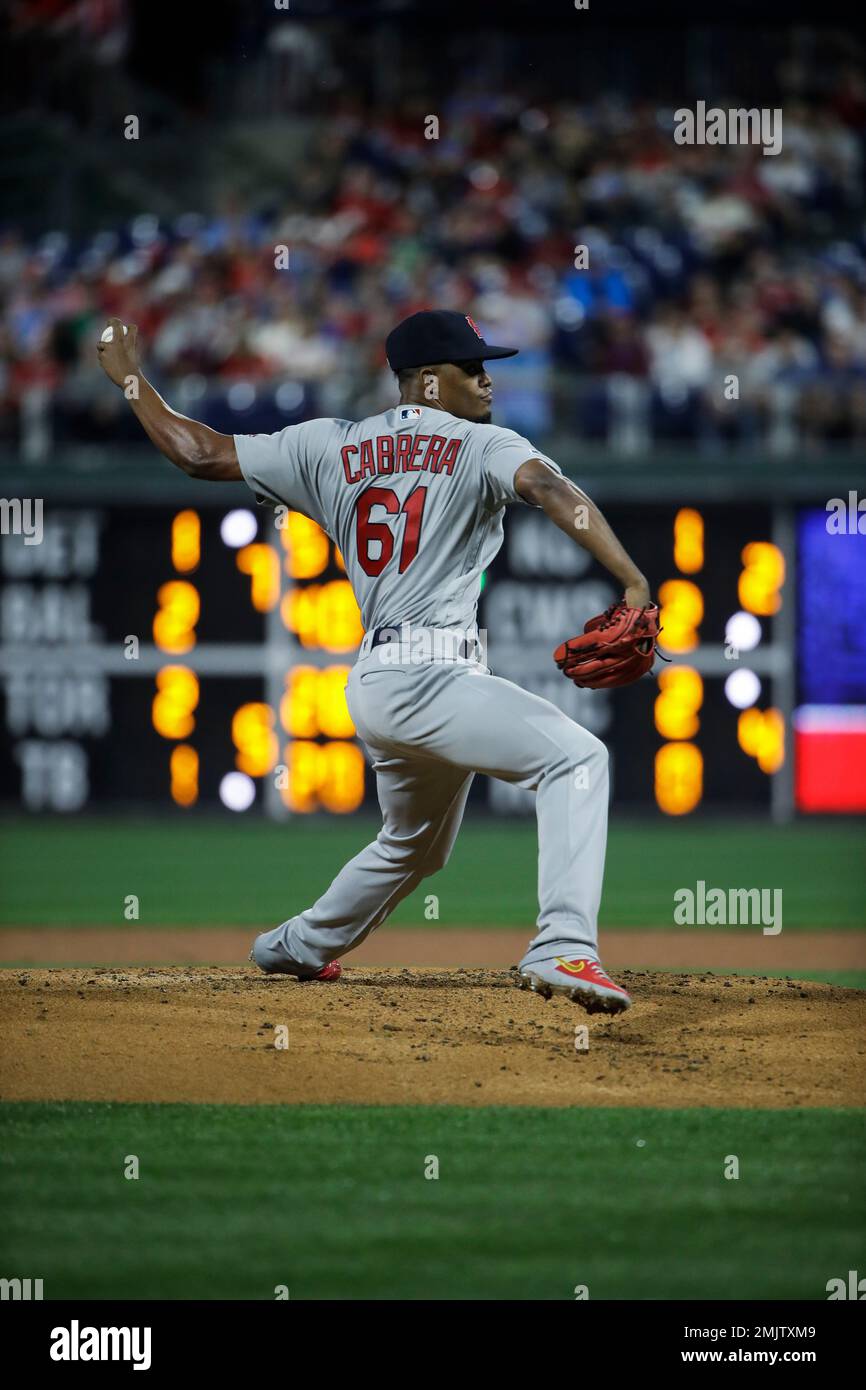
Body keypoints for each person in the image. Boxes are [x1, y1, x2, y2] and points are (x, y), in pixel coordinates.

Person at [97, 309, 652, 1013]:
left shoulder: (328, 445)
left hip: (377, 683)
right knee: (577, 760)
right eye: (470, 366)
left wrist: (131, 381)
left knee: (416, 845)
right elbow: (549, 489)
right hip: (433, 676)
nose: (487, 379)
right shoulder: (483, 444)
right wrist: (632, 581)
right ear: (426, 382)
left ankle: (296, 945)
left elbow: (198, 453)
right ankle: (563, 945)